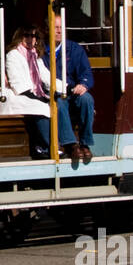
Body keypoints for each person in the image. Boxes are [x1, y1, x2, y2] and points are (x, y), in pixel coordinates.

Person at [0, 25, 54, 160]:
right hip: (18, 96)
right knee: (41, 107)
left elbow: (47, 77)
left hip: (34, 94)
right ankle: (51, 147)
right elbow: (18, 84)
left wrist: (66, 88)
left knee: (57, 104)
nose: (30, 39)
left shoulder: (36, 56)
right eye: (27, 35)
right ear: (20, 37)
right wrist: (38, 98)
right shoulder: (13, 54)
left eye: (33, 36)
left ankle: (46, 147)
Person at [46, 14, 95, 163]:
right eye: (55, 27)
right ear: (48, 29)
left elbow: (86, 73)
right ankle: (71, 145)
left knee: (87, 99)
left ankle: (85, 143)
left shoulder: (74, 49)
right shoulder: (42, 50)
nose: (59, 31)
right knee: (59, 103)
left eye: (61, 28)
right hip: (52, 94)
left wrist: (83, 85)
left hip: (73, 92)